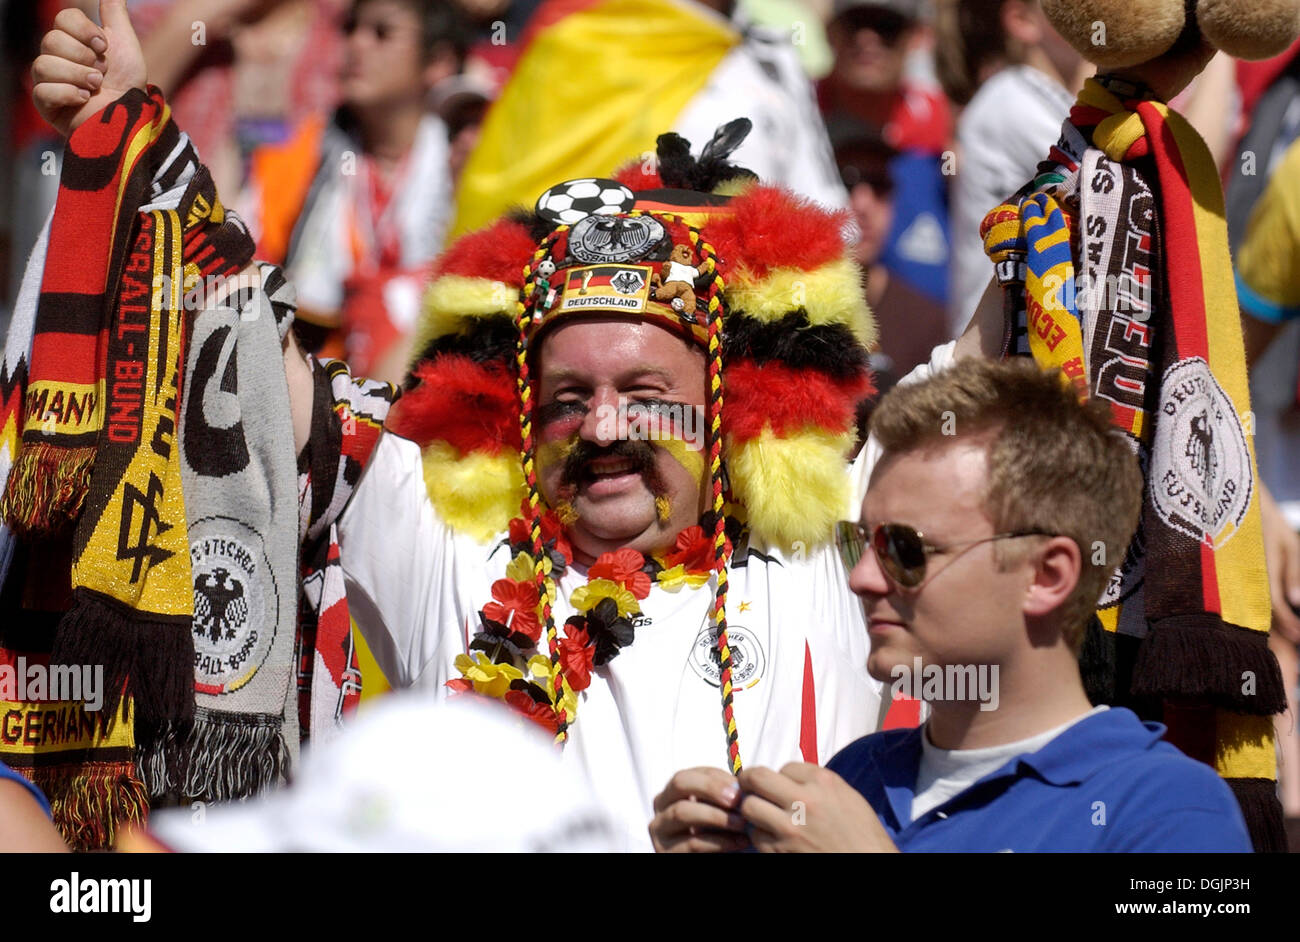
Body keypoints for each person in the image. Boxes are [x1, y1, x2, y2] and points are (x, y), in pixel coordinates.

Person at [22, 0, 1016, 850]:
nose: (602, 427)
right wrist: (134, 126)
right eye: (567, 398)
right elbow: (244, 331)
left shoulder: (831, 539)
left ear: (726, 406)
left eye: (645, 391)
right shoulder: (446, 533)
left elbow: (992, 347)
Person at [650, 357, 1253, 852]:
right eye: (858, 541)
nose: (861, 579)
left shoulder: (1174, 812)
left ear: (1047, 575)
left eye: (904, 549)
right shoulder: (854, 779)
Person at [241, 0, 471, 382]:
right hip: (317, 380)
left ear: (439, 62)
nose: (356, 45)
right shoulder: (296, 159)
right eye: (350, 29)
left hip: (439, 379)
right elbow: (251, 276)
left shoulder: (470, 156)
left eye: (382, 33)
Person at [937, 0, 1084, 338]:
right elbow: (1148, 182)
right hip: (995, 353)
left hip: (1021, 343)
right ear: (1022, 20)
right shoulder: (1011, 101)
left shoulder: (1041, 98)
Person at [817, 0, 952, 306]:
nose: (867, 40)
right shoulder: (795, 110)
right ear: (829, 32)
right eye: (855, 24)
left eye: (886, 26)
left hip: (919, 328)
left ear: (917, 36)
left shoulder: (943, 125)